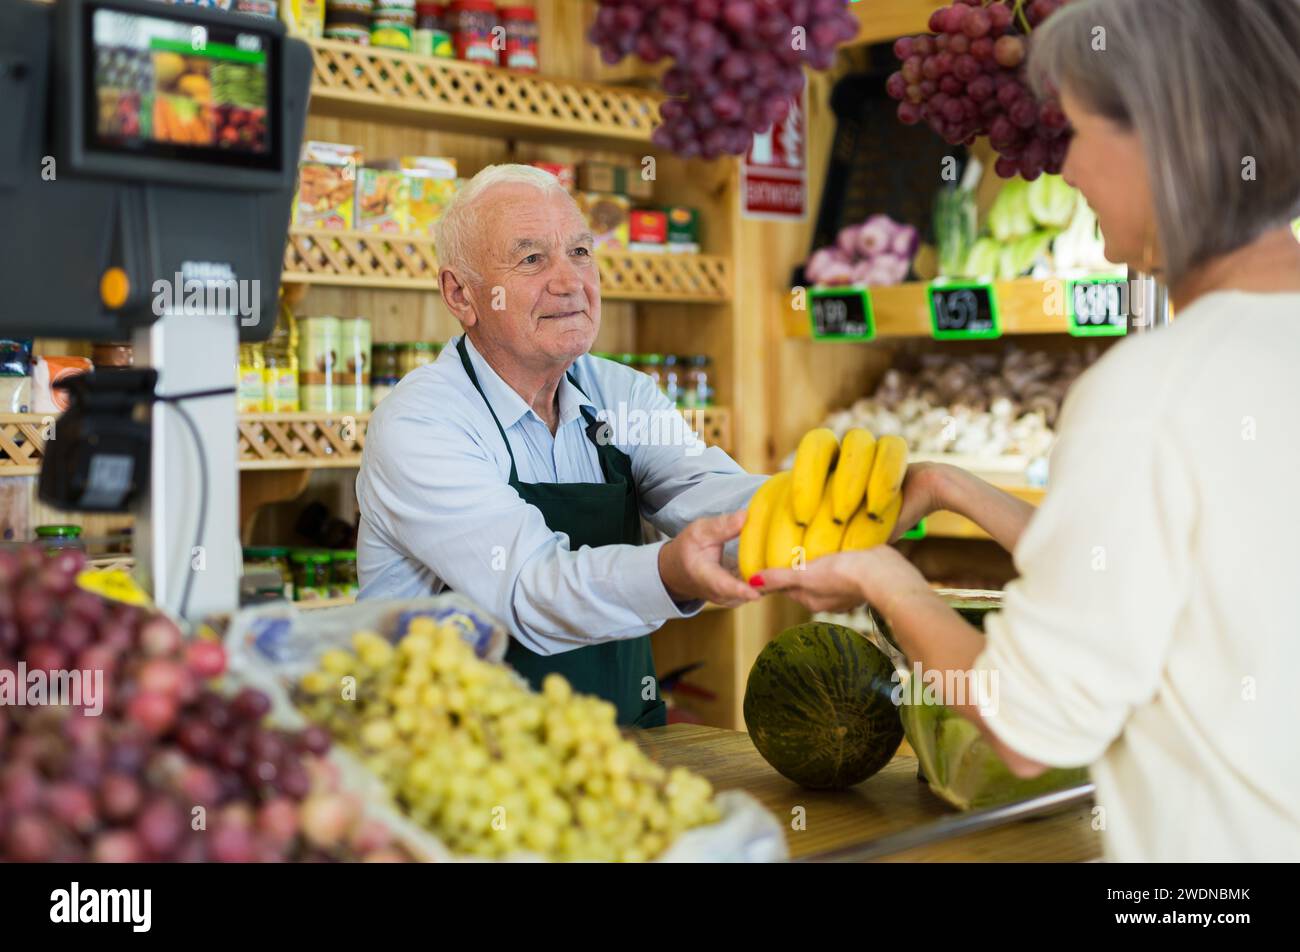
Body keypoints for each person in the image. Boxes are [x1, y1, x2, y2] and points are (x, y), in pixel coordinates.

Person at [754, 0, 1300, 861]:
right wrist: (957, 492)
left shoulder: (1151, 389)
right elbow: (1173, 566)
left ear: (1164, 132)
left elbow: (1028, 726)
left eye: (1078, 132)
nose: (1068, 171)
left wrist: (883, 580)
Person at [355, 164, 761, 728]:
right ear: (461, 294)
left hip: (612, 754)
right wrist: (671, 571)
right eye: (531, 260)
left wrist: (862, 502)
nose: (571, 283)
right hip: (456, 764)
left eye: (580, 252)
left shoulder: (622, 393)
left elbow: (709, 495)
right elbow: (528, 590)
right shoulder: (422, 422)